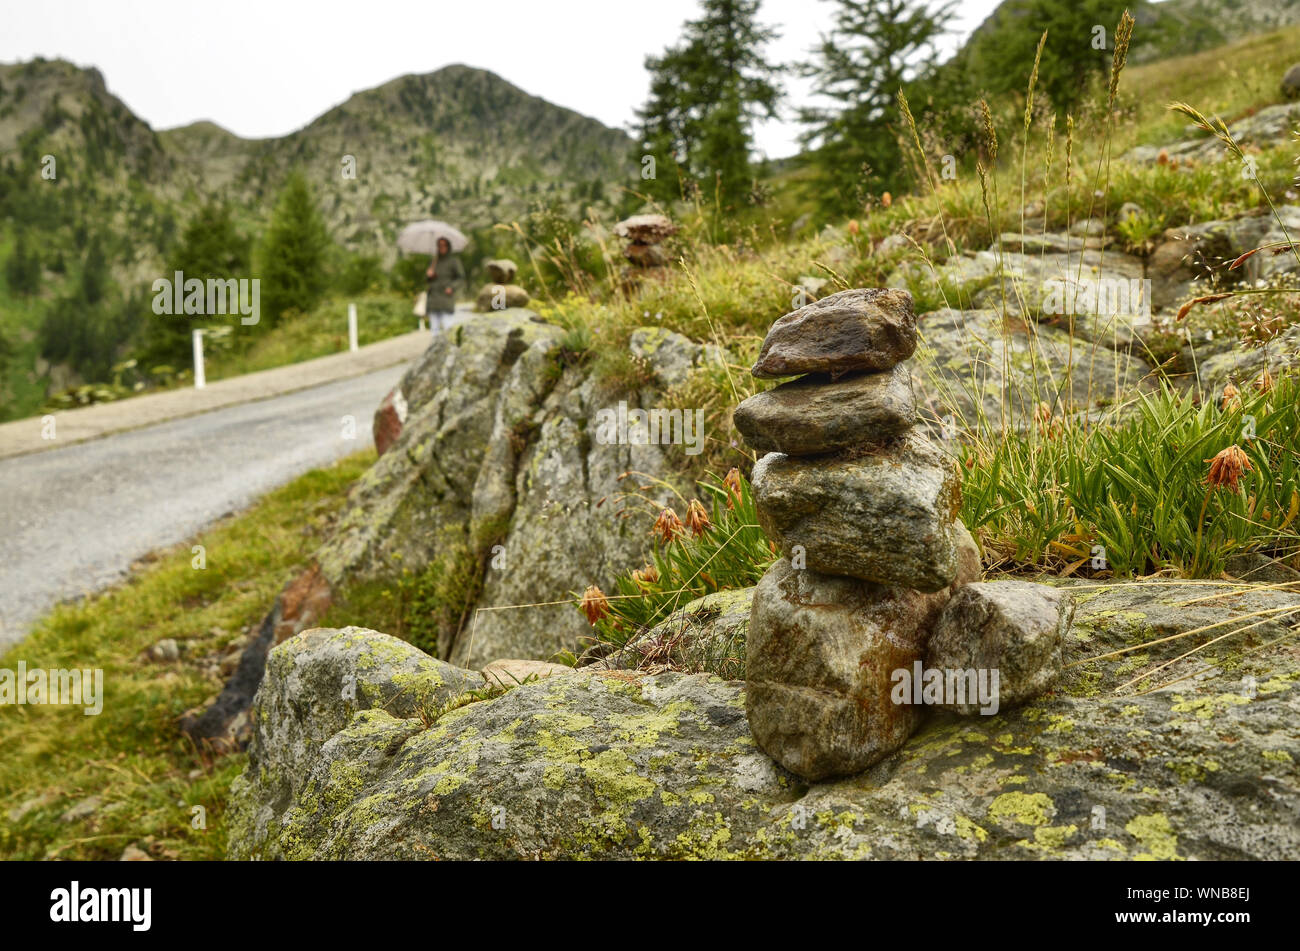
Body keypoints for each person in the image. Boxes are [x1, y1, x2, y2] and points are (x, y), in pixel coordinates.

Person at [425, 237, 464, 334]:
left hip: (446, 298)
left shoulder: (454, 261)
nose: (441, 247)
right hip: (433, 298)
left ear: (448, 246)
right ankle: (435, 348)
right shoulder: (434, 262)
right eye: (439, 245)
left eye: (443, 245)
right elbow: (427, 281)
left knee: (448, 327)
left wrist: (452, 287)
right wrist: (429, 276)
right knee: (434, 330)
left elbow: (460, 278)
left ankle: (450, 348)